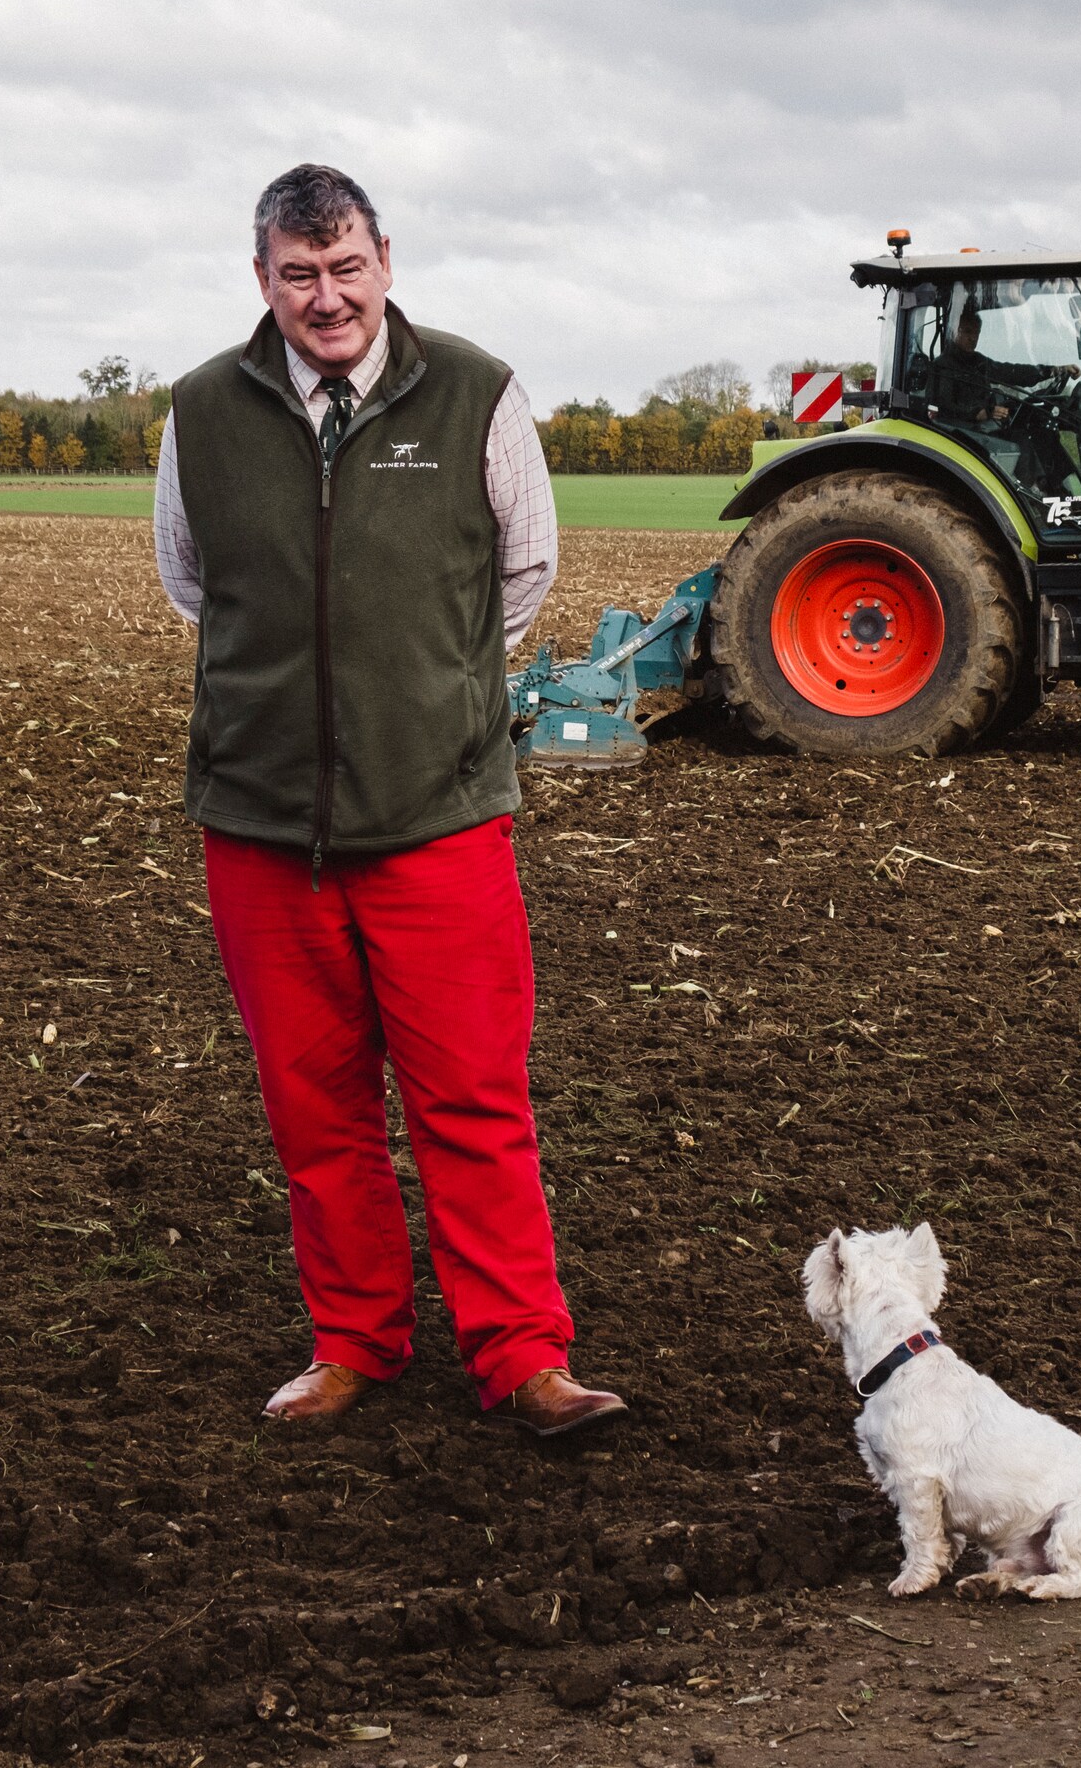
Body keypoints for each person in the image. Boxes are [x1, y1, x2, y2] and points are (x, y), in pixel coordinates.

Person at [151, 163, 624, 1437]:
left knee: (472, 1094)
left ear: (385, 260)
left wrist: (422, 690)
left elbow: (521, 573)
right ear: (262, 279)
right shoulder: (200, 413)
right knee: (316, 1108)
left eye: (345, 267)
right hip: (262, 827)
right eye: (298, 274)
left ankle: (522, 1353)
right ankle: (355, 1340)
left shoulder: (476, 392)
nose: (326, 297)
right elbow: (195, 585)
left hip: (438, 818)